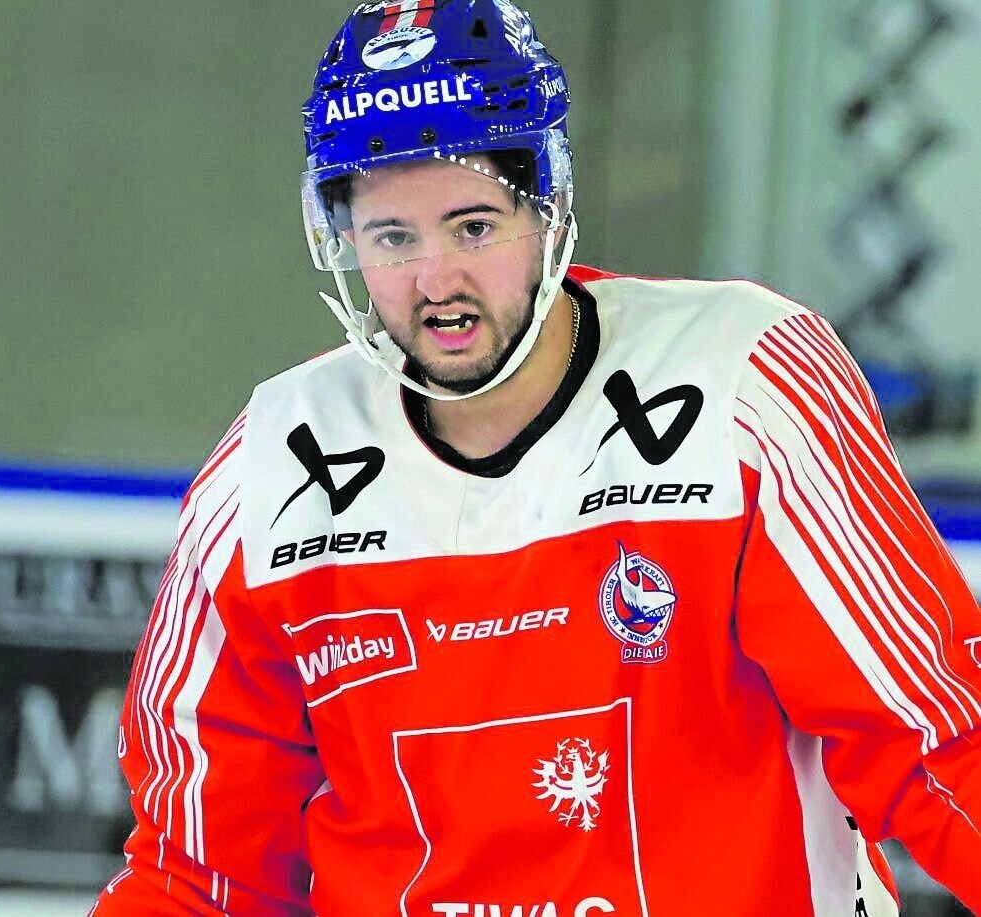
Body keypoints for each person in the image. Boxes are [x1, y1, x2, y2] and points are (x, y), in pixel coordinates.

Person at [91, 1, 981, 914]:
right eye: (395, 238)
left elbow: (940, 738)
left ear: (547, 206)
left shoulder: (744, 385)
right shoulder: (268, 471)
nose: (436, 281)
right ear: (345, 237)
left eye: (474, 226)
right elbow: (200, 872)